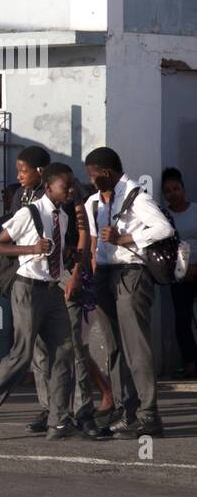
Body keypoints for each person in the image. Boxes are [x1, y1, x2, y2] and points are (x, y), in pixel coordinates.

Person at [0, 163, 106, 440]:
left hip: (52, 288)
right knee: (22, 353)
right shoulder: (29, 212)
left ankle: (59, 420)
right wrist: (31, 248)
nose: (70, 191)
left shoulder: (61, 217)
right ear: (50, 186)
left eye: (71, 186)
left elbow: (57, 250)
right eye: (65, 186)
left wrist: (69, 258)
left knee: (65, 350)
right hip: (27, 287)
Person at [84, 147, 174, 437]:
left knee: (136, 345)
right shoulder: (93, 201)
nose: (91, 180)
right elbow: (94, 242)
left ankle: (149, 415)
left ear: (107, 173)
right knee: (113, 347)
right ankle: (127, 410)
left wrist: (126, 238)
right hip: (105, 274)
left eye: (93, 175)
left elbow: (163, 228)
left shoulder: (137, 196)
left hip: (131, 274)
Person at [161, 167, 197, 378]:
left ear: (183, 189)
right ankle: (190, 362)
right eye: (168, 191)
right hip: (180, 274)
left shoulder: (195, 210)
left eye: (176, 188)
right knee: (182, 319)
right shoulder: (165, 217)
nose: (173, 193)